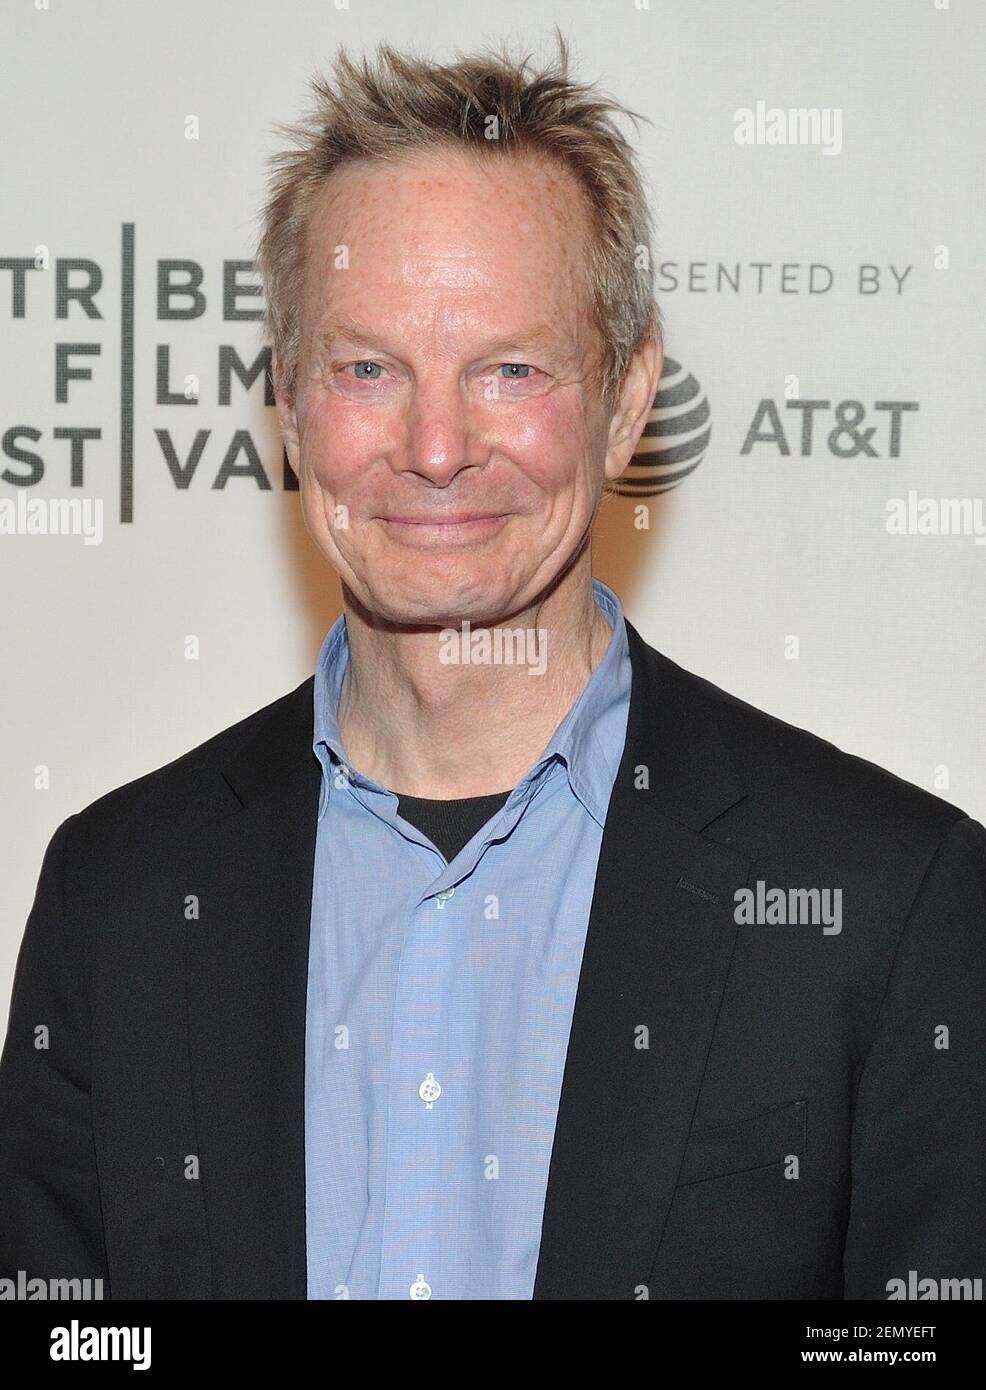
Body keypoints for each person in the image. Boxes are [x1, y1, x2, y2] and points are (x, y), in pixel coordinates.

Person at [1, 34, 984, 1302]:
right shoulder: (117, 895)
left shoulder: (884, 900)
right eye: (367, 368)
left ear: (627, 397)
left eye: (508, 369)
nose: (433, 446)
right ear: (289, 402)